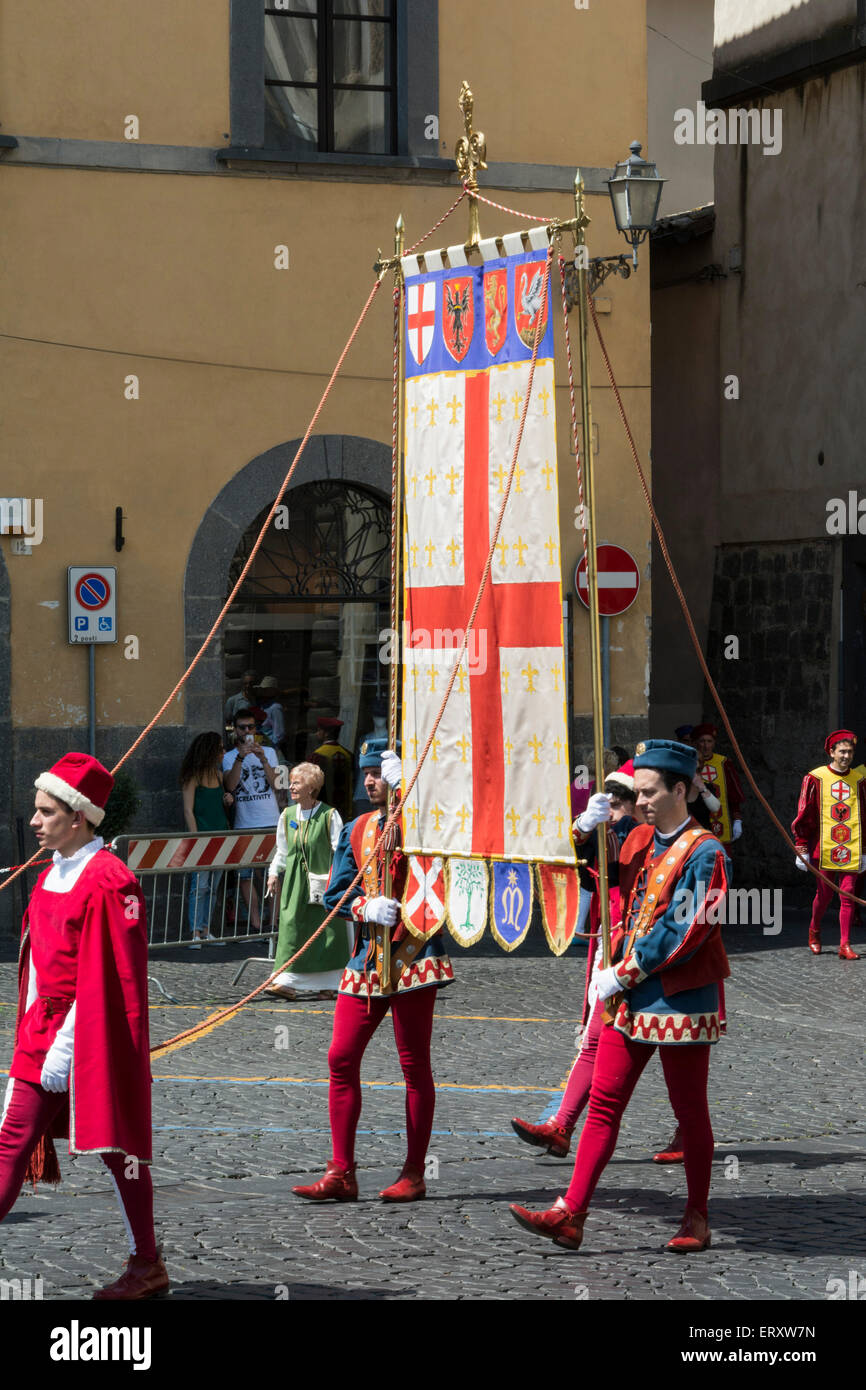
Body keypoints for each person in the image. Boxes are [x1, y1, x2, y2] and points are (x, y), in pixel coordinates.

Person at [509, 739, 731, 1254]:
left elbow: (688, 929)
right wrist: (585, 830)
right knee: (605, 1104)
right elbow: (596, 871)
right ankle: (571, 1213)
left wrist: (621, 972)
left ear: (681, 789)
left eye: (650, 793)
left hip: (679, 997)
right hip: (630, 995)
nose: (642, 801)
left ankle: (697, 1215)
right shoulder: (636, 838)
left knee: (690, 1110)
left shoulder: (708, 853)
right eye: (639, 793)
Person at [0, 753, 167, 1300]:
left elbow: (111, 979)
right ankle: (148, 1265)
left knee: (116, 1149)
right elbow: (38, 966)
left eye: (45, 812)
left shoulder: (108, 880)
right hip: (39, 1033)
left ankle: (147, 1265)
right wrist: (28, 1036)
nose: (33, 822)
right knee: (22, 1143)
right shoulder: (54, 872)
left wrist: (62, 1053)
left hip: (83, 1035)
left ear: (77, 818)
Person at [292, 739, 453, 1205]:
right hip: (366, 959)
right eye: (366, 773)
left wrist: (412, 795)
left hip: (414, 955)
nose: (369, 781)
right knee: (340, 1058)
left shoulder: (422, 824)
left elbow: (440, 853)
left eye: (378, 774)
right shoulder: (359, 827)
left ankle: (414, 1172)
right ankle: (341, 1171)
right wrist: (365, 905)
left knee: (413, 1065)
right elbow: (336, 893)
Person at [511, 763, 638, 1158]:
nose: (613, 806)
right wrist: (583, 826)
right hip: (615, 945)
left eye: (622, 800)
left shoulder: (660, 836)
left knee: (674, 1057)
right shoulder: (617, 832)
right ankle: (561, 1126)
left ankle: (689, 1132)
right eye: (609, 799)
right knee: (595, 1043)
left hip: (654, 956)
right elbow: (579, 863)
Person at [264, 762, 349, 1000]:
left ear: (311, 788)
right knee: (291, 927)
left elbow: (340, 850)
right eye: (291, 782)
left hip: (324, 883)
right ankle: (285, 981)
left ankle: (330, 983)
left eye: (296, 783)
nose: (291, 786)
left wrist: (338, 879)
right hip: (294, 883)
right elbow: (282, 850)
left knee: (327, 934)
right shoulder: (288, 815)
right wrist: (273, 873)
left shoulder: (329, 815)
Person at [792, 728, 866, 960]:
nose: (846, 756)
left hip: (851, 847)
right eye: (842, 751)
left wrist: (864, 851)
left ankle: (845, 944)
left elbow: (865, 815)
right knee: (823, 896)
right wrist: (801, 846)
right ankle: (814, 930)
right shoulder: (815, 778)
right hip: (823, 848)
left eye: (850, 752)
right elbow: (805, 813)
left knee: (848, 895)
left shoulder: (860, 780)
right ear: (831, 752)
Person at [223, 709, 283, 930]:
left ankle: (273, 921)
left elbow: (277, 784)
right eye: (242, 727)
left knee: (273, 875)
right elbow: (230, 785)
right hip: (244, 823)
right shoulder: (229, 757)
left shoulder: (268, 751)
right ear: (235, 729)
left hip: (270, 820)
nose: (247, 731)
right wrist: (241, 756)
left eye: (250, 727)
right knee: (246, 876)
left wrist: (263, 759)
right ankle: (256, 922)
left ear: (256, 729)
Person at [180, 731, 232, 947]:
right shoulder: (192, 777)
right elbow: (188, 810)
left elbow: (220, 803)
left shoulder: (219, 776)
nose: (224, 752)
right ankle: (195, 932)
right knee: (199, 886)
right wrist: (197, 839)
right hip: (202, 838)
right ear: (210, 751)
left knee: (213, 886)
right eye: (220, 748)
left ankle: (206, 929)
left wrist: (228, 799)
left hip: (220, 835)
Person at [693, 723, 744, 848]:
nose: (706, 746)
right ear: (696, 742)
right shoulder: (690, 762)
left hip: (721, 821)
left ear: (714, 743)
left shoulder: (723, 763)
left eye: (709, 741)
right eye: (702, 741)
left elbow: (733, 794)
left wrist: (737, 819)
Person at [312, 717, 354, 822]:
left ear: (326, 734)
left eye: (319, 730)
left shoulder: (317, 756)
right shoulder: (348, 754)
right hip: (345, 812)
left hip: (324, 813)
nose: (317, 733)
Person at [257, 676, 286, 751]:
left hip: (269, 748)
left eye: (266, 690)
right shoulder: (262, 706)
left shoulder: (275, 708)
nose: (263, 692)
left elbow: (279, 734)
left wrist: (271, 747)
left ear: (273, 691)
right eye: (262, 690)